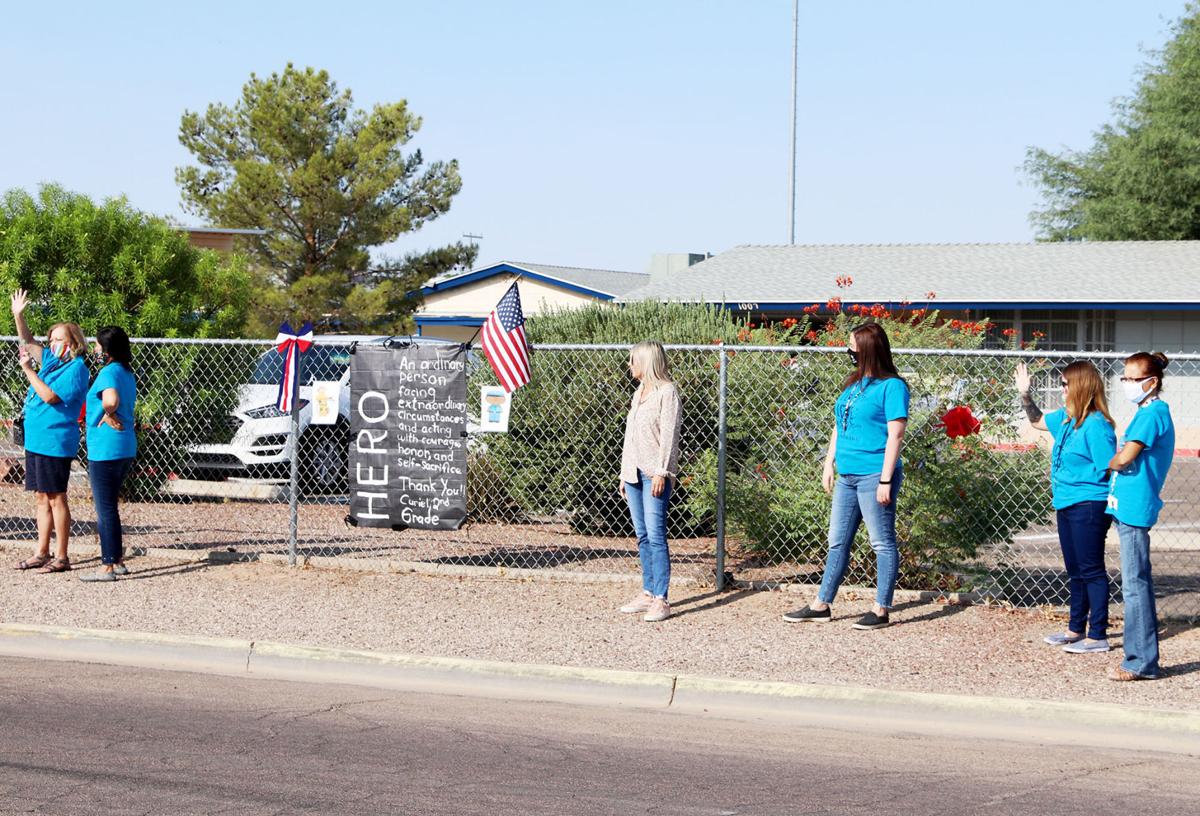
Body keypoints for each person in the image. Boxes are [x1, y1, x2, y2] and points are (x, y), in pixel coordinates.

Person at [784, 323, 909, 630]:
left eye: (852, 345)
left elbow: (895, 436)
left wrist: (885, 479)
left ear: (867, 348)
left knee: (881, 542)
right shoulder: (853, 386)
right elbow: (839, 426)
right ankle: (821, 605)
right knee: (837, 542)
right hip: (847, 475)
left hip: (873, 474)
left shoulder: (892, 387)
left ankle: (881, 609)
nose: (848, 351)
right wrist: (829, 463)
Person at [1015, 360, 1117, 654]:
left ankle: (1098, 635)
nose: (1061, 389)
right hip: (1067, 502)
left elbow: (1109, 468)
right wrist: (1025, 394)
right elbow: (1036, 421)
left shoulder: (1096, 425)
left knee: (1091, 569)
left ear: (1081, 386)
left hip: (1089, 504)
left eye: (1065, 384)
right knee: (1075, 569)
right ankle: (1075, 629)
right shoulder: (1066, 420)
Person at [1105, 352, 1174, 682]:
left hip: (1136, 507)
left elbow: (1126, 457)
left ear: (1151, 382)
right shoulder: (1147, 411)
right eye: (1125, 378)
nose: (1127, 384)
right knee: (1134, 584)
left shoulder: (1152, 414)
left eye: (1132, 379)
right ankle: (1140, 659)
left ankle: (1140, 662)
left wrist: (1110, 461)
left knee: (1135, 587)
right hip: (1126, 505)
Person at [9, 290, 89, 574]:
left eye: (60, 340)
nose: (54, 344)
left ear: (73, 343)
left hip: (56, 441)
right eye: (52, 340)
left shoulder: (77, 369)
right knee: (41, 497)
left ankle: (62, 555)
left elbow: (51, 397)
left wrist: (29, 372)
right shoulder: (53, 363)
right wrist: (19, 315)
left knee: (57, 497)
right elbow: (28, 342)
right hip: (37, 440)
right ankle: (41, 551)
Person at [617, 340, 682, 623]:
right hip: (632, 474)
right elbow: (630, 436)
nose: (629, 366)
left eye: (633, 360)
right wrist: (623, 472)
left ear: (647, 362)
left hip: (653, 474)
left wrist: (662, 472)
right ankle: (647, 591)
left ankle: (661, 598)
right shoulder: (639, 393)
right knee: (642, 535)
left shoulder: (667, 392)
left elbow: (669, 436)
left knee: (656, 535)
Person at [79, 327, 138, 583]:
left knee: (105, 509)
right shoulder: (127, 372)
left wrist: (106, 413)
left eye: (97, 345)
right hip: (124, 446)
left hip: (106, 448)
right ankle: (118, 560)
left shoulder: (108, 372)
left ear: (107, 349)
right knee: (110, 506)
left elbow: (110, 400)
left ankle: (107, 566)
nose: (94, 350)